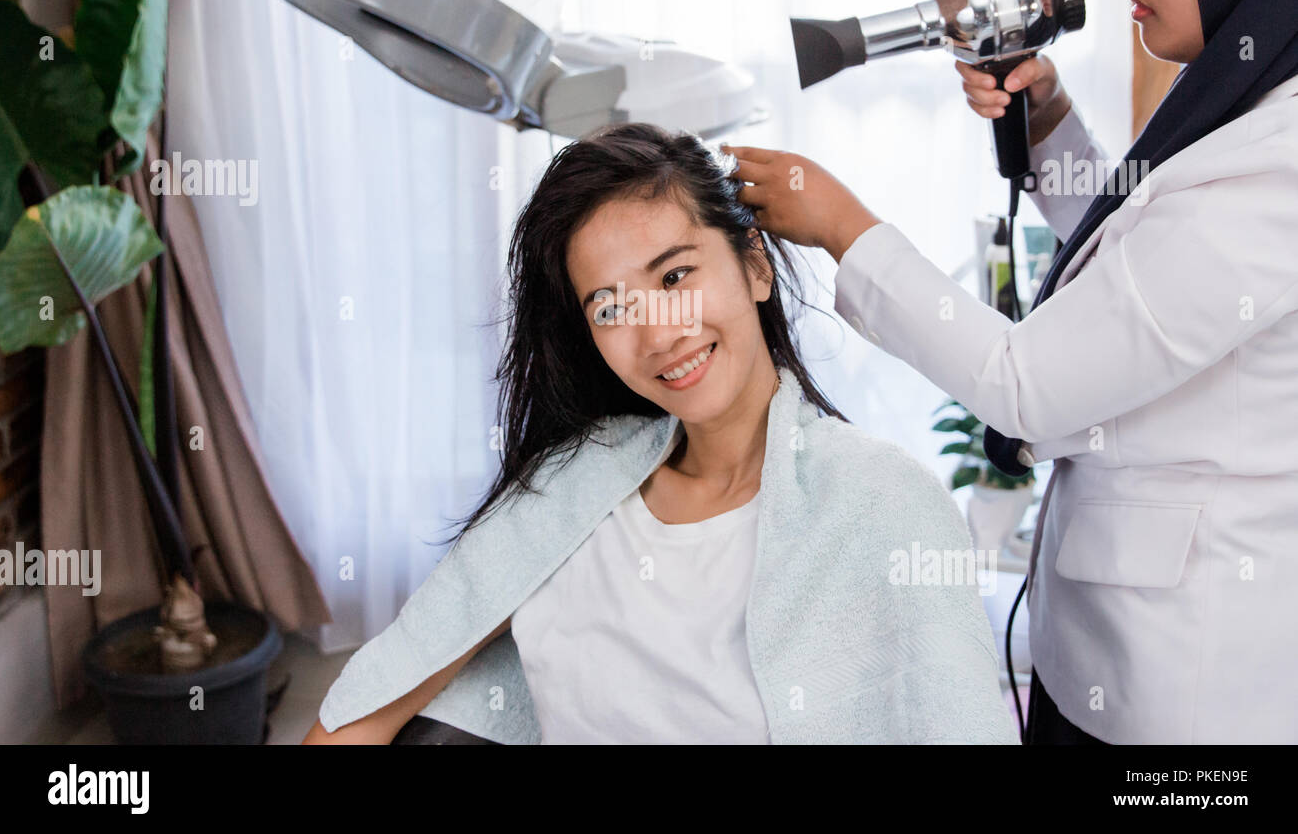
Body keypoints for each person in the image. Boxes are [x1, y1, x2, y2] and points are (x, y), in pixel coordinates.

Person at [721, 0, 1298, 744]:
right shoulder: (1246, 100)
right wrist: (1050, 123)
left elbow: (1023, 384)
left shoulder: (1276, 171)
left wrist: (844, 227)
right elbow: (1140, 264)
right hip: (1099, 650)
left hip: (1177, 703)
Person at [303, 122, 1017, 744]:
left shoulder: (881, 503)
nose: (659, 334)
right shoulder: (567, 488)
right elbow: (362, 712)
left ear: (755, 265)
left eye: (674, 276)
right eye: (610, 307)